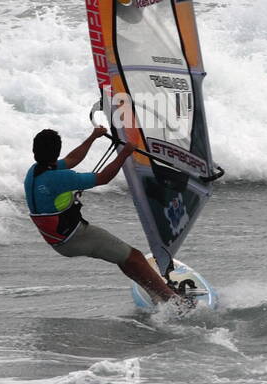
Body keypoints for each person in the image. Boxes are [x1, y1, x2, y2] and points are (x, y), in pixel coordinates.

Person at [24, 126, 180, 303]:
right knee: (133, 256)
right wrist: (125, 153)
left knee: (123, 258)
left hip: (60, 239)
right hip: (75, 237)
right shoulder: (58, 178)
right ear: (56, 152)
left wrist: (93, 137)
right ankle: (173, 300)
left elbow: (72, 159)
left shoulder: (35, 172)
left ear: (35, 151)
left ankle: (157, 294)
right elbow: (103, 178)